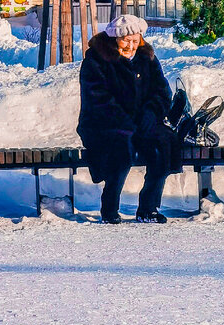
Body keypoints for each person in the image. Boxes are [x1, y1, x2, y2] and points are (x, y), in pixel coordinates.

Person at [77, 14, 180, 224]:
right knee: (121, 145)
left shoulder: (146, 57)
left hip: (141, 121)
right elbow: (98, 99)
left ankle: (149, 207)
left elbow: (162, 92)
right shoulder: (96, 60)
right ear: (115, 39)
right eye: (126, 41)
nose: (131, 46)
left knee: (164, 142)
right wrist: (124, 120)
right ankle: (110, 207)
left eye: (135, 41)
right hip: (104, 124)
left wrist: (151, 113)